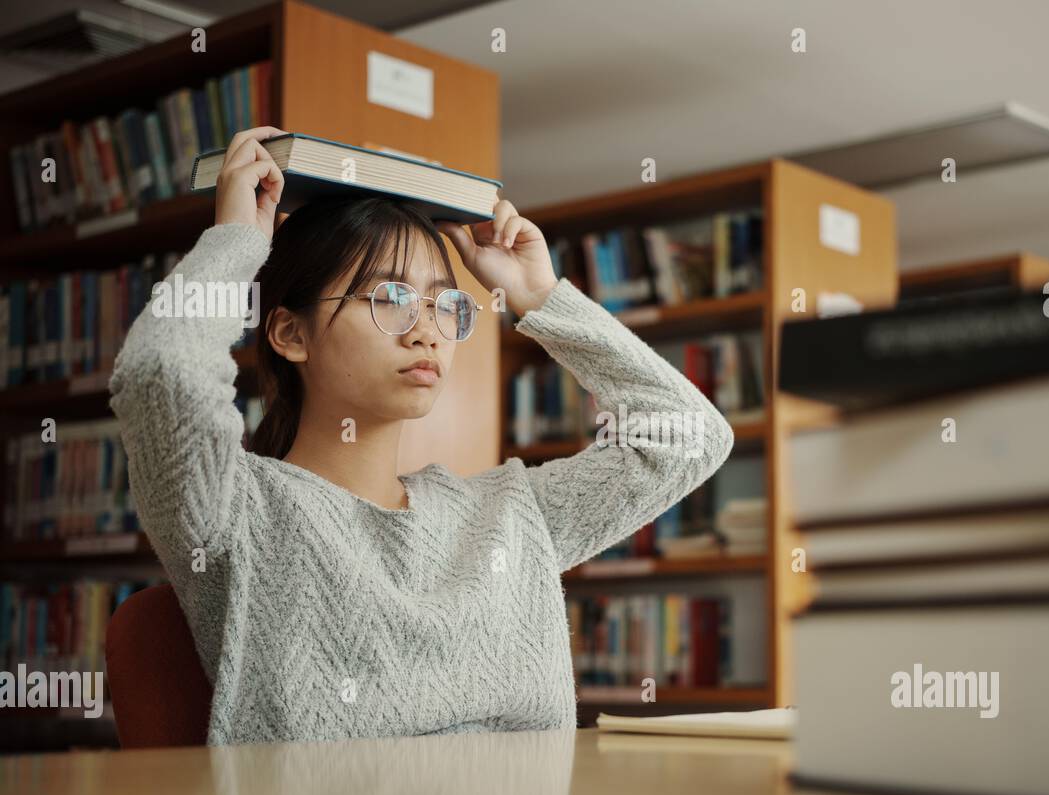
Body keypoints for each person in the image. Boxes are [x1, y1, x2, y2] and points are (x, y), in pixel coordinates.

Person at [108, 127, 735, 745]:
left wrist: (538, 296)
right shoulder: (233, 512)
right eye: (389, 298)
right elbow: (161, 370)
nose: (426, 330)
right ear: (289, 333)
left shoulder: (508, 516)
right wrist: (236, 242)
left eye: (444, 304)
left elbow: (687, 438)